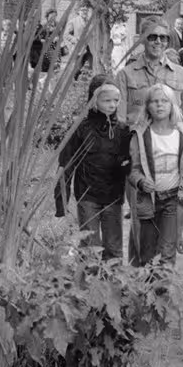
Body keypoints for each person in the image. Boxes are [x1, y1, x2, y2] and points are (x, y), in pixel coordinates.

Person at [54, 75, 131, 259]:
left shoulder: (122, 129)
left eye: (116, 100)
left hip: (113, 197)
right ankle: (89, 278)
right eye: (107, 100)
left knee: (113, 248)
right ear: (94, 100)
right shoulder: (80, 128)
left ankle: (114, 278)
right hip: (87, 196)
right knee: (90, 249)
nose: (112, 105)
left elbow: (131, 165)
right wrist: (61, 204)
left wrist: (125, 167)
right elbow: (65, 165)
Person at [129, 84, 183, 266]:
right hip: (149, 201)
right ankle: (148, 284)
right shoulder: (140, 135)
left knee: (167, 253)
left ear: (172, 105)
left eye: (164, 101)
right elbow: (132, 169)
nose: (159, 105)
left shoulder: (182, 134)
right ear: (147, 106)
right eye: (154, 101)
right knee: (148, 255)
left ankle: (163, 285)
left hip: (173, 199)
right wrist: (141, 181)